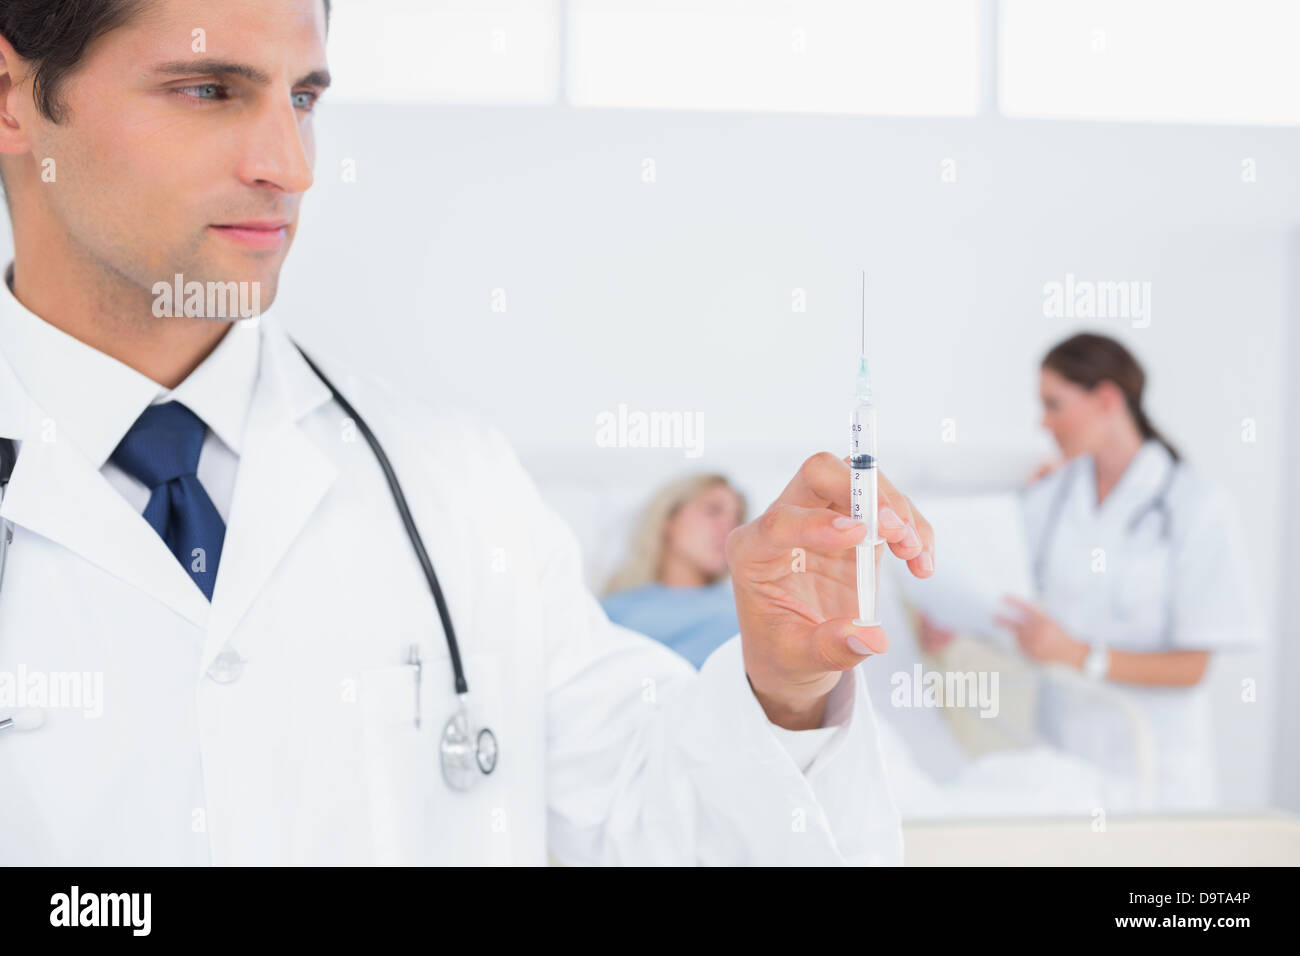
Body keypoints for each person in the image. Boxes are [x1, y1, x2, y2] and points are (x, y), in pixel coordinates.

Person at [0, 0, 936, 864]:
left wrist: (782, 692)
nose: (292, 165)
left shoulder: (453, 479)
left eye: (305, 98)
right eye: (208, 90)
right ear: (13, 101)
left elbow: (648, 822)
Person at [928, 332, 1259, 810]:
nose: (1044, 423)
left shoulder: (1195, 504)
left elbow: (1194, 667)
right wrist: (957, 622)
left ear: (1107, 398)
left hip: (1157, 774)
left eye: (1054, 404)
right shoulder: (1050, 496)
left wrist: (1080, 655)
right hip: (1063, 770)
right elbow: (1015, 598)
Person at [601, 474, 746, 669]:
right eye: (713, 511)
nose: (729, 527)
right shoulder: (612, 612)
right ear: (669, 519)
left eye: (736, 519)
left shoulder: (745, 609)